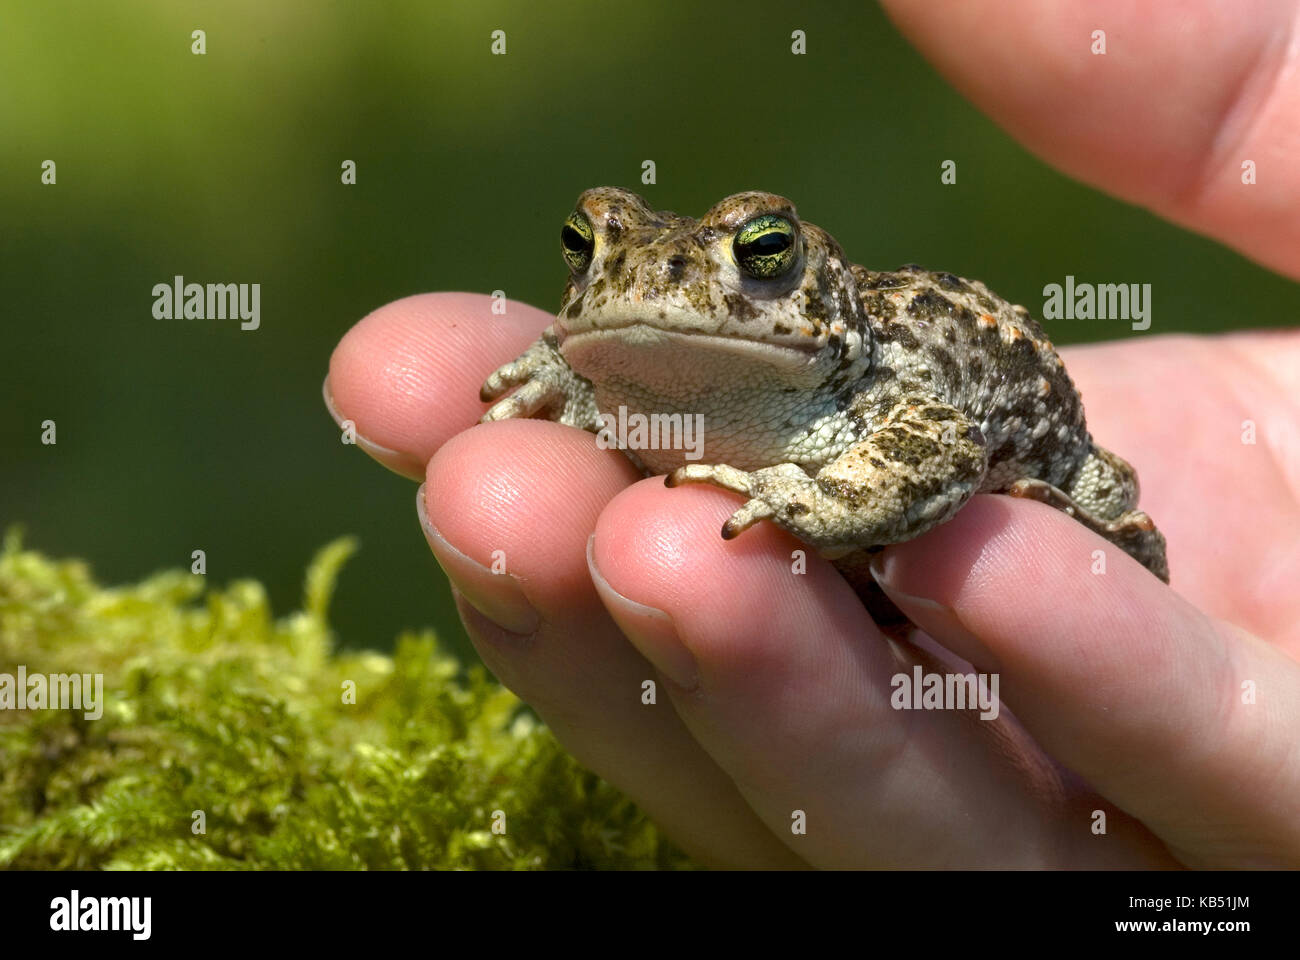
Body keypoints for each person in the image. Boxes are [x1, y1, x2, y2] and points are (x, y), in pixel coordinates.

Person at [323, 1, 1300, 867]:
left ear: (810, 283)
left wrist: (808, 504)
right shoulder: (599, 356)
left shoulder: (870, 375)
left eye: (760, 258)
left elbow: (950, 447)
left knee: (1092, 514)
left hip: (1039, 455)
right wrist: (558, 360)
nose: (652, 290)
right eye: (589, 250)